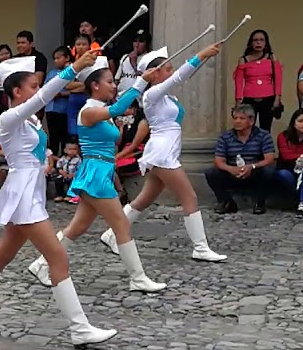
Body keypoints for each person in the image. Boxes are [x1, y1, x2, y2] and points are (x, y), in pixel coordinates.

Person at [0, 49, 117, 345]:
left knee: (2, 255)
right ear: (16, 91)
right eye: (32, 86)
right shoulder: (8, 119)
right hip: (23, 195)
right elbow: (43, 98)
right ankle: (79, 327)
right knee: (57, 257)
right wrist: (72, 70)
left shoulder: (30, 120)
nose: (38, 90)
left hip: (30, 190)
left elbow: (38, 113)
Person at [28, 54, 165, 292]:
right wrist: (141, 81)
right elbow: (120, 107)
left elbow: (117, 113)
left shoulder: (100, 109)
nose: (114, 85)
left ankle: (41, 263)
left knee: (78, 227)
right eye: (110, 81)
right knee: (121, 224)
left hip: (101, 170)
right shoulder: (89, 111)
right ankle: (138, 277)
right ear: (95, 85)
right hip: (95, 172)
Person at [95, 43, 227, 263]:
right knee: (189, 197)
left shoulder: (166, 98)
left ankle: (111, 233)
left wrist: (202, 59)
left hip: (164, 152)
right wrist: (200, 55)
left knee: (143, 199)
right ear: (154, 75)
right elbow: (179, 77)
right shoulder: (152, 95)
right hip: (162, 153)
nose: (172, 72)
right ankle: (200, 247)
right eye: (167, 69)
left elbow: (180, 78)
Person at [233, 29, 283, 133]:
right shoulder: (243, 59)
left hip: (268, 98)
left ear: (266, 43)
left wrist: (277, 98)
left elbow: (278, 79)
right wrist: (238, 100)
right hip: (249, 99)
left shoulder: (272, 57)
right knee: (247, 128)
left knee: (266, 128)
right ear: (251, 43)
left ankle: (265, 149)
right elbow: (238, 82)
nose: (258, 42)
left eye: (261, 40)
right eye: (255, 40)